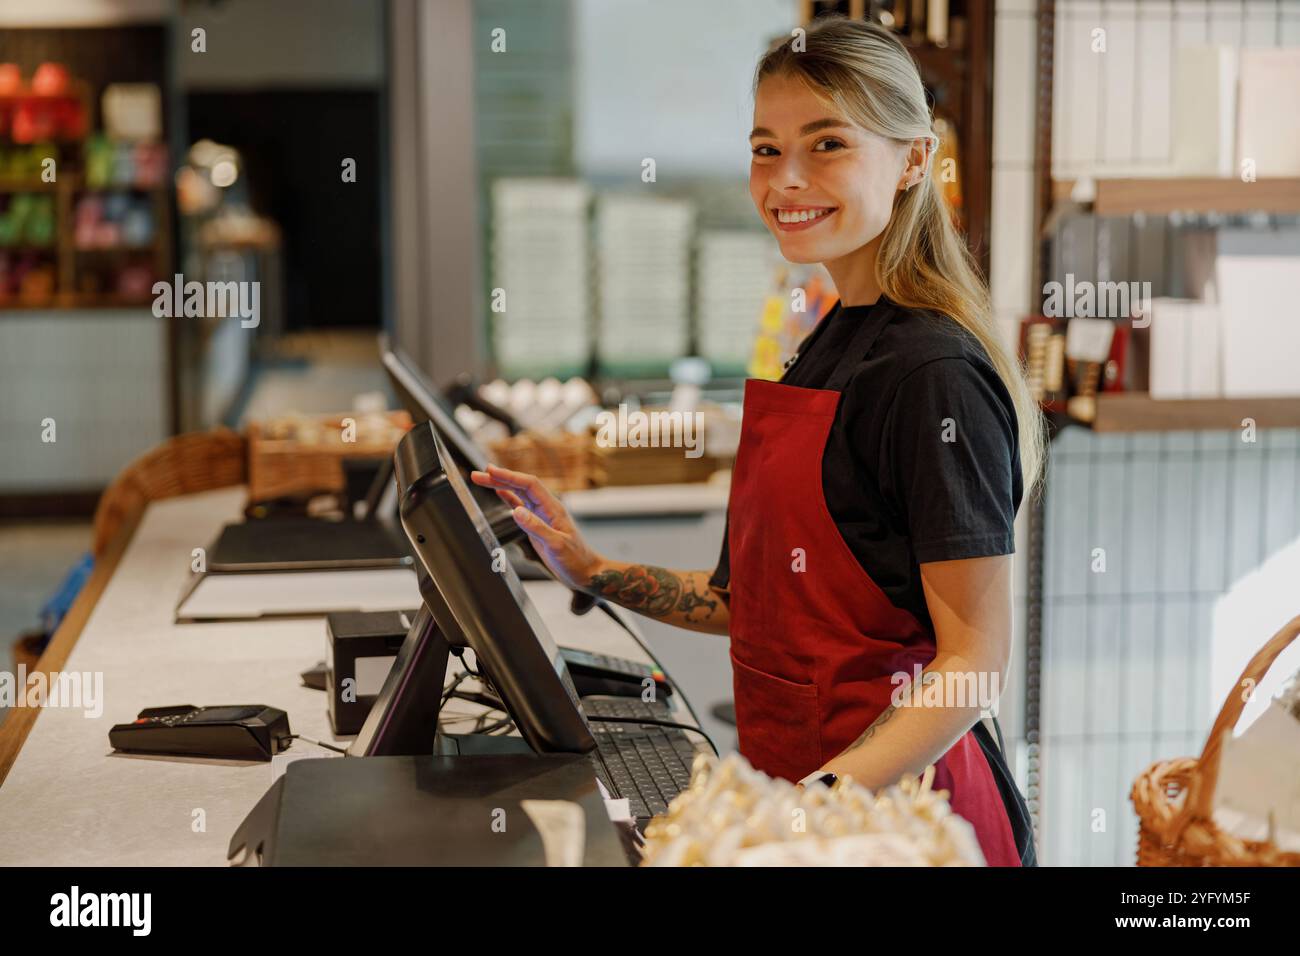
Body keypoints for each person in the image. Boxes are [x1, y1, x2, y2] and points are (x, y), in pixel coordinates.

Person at [473, 16, 1041, 866]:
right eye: (766, 149)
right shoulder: (827, 343)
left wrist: (809, 814)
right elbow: (757, 610)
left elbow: (974, 664)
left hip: (903, 821)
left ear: (915, 161)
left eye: (827, 144)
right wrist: (590, 570)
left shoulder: (932, 374)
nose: (788, 179)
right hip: (807, 808)